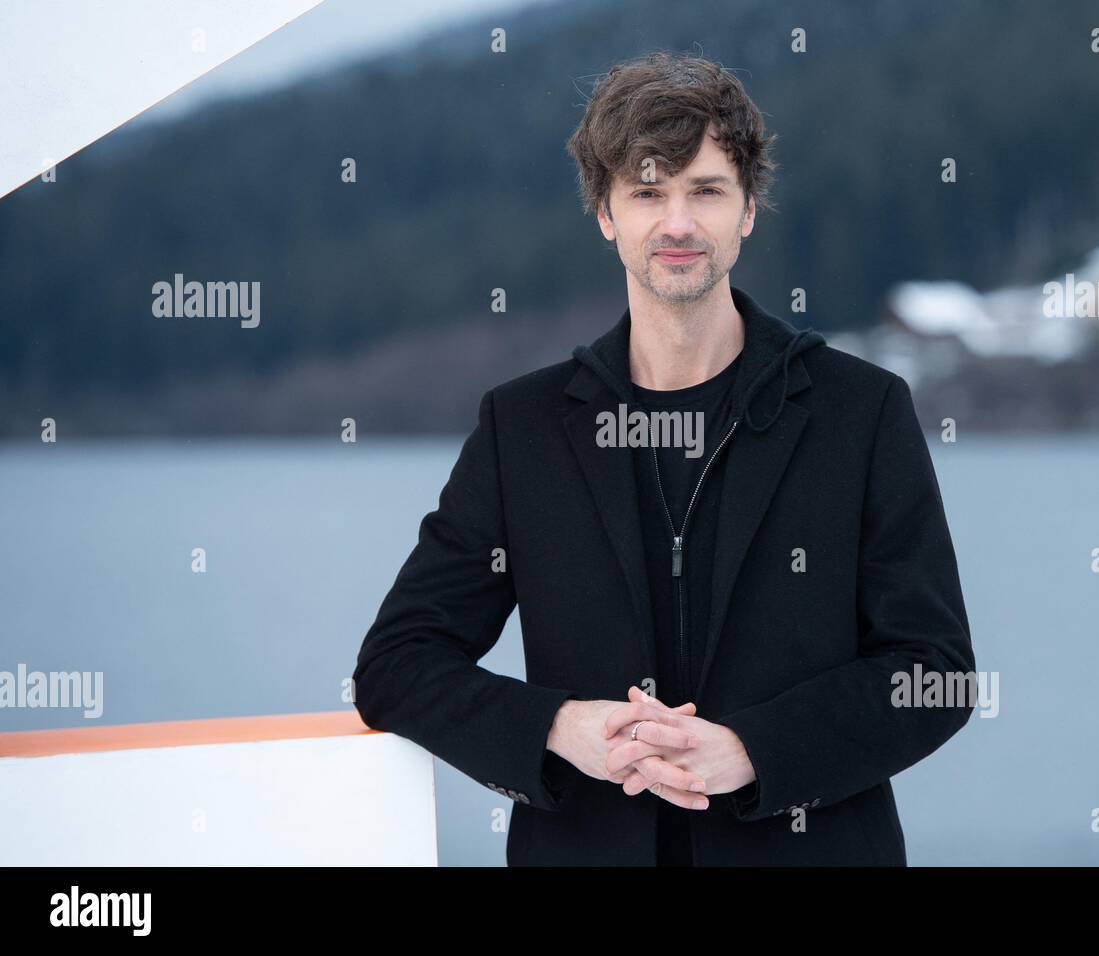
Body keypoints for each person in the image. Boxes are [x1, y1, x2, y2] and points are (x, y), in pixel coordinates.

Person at [352, 51, 975, 866]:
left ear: (748, 209)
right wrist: (558, 728)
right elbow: (397, 666)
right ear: (605, 214)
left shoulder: (860, 411)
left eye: (705, 190)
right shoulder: (524, 428)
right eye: (647, 192)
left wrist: (754, 750)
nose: (677, 224)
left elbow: (934, 674)